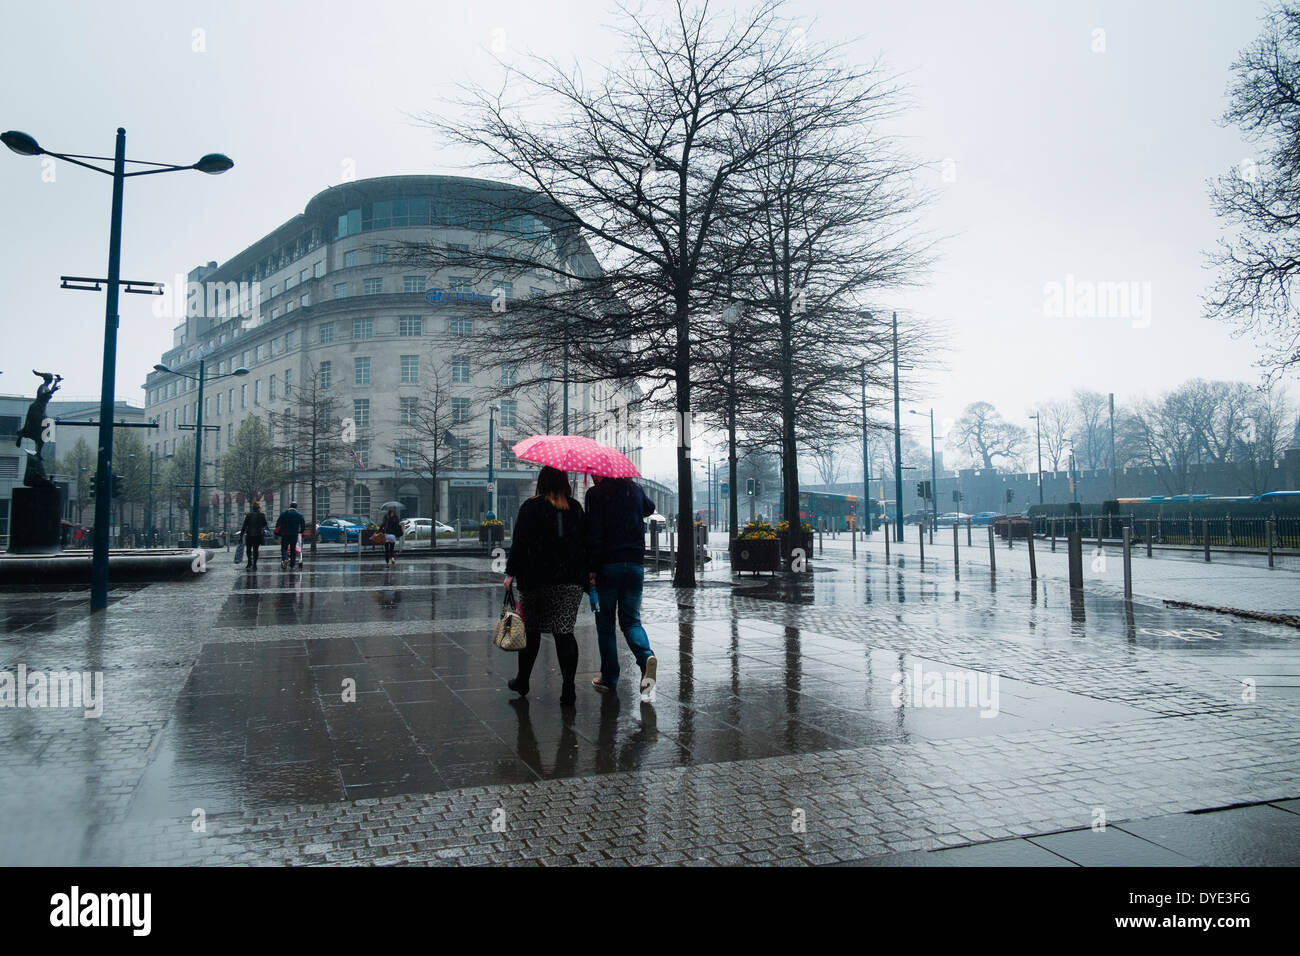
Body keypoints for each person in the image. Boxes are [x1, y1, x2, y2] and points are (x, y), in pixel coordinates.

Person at [502, 466, 588, 705]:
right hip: (569, 581)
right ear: (564, 482)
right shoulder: (575, 507)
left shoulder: (531, 507)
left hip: (536, 580)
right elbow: (584, 543)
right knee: (564, 633)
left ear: (541, 481)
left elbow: (519, 543)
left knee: (532, 631)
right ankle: (568, 688)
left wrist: (510, 574)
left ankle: (523, 680)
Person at [584, 475, 658, 697]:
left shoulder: (595, 495)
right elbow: (650, 507)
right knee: (631, 620)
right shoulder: (633, 489)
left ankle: (609, 677)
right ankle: (646, 656)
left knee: (605, 623)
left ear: (600, 473)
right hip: (635, 564)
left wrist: (592, 570)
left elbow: (594, 535)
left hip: (608, 566)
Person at [274, 501, 306, 569]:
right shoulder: (299, 515)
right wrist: (300, 531)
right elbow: (303, 526)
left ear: (290, 506)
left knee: (284, 548)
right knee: (293, 548)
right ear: (296, 507)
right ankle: (292, 564)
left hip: (285, 534)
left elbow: (278, 523)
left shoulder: (284, 513)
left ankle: (285, 558)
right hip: (294, 534)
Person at [239, 501, 268, 570]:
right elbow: (265, 524)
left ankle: (249, 562)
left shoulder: (248, 515)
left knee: (248, 549)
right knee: (256, 550)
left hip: (249, 535)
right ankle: (255, 564)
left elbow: (244, 526)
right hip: (258, 535)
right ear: (259, 508)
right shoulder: (262, 515)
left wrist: (241, 535)